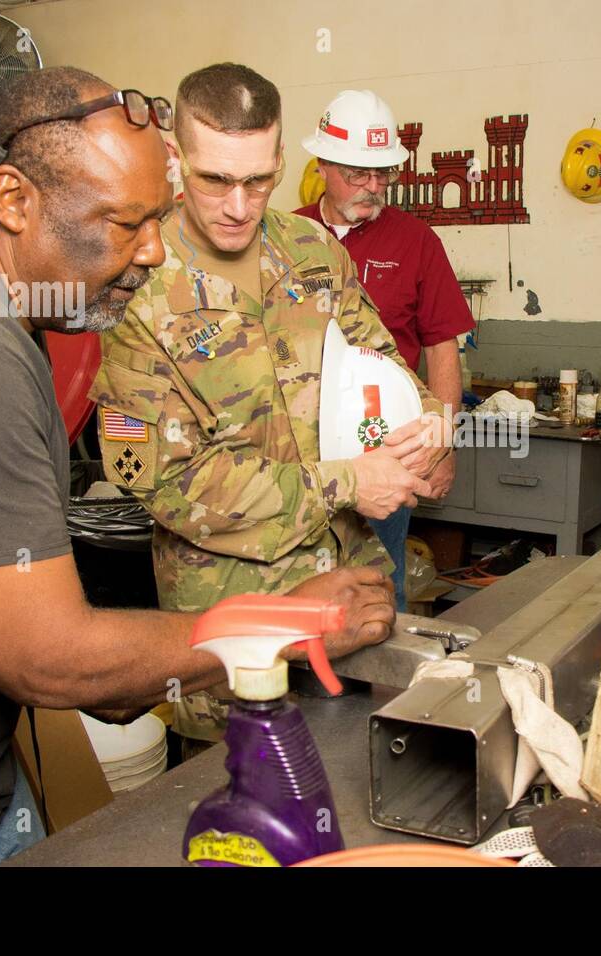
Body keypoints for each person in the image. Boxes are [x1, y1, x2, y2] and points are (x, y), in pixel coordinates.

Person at [0, 66, 394, 867]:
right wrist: (287, 623)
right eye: (126, 224)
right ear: (15, 200)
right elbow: (49, 657)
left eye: (156, 219)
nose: (154, 250)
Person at [90, 63, 452, 748]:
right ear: (175, 158)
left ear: (284, 160)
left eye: (258, 180)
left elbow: (383, 365)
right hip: (239, 641)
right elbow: (159, 482)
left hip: (356, 614)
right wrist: (347, 480)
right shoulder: (131, 287)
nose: (238, 205)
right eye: (215, 180)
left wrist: (429, 427)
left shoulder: (313, 251)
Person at [296, 90, 474, 610]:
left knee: (376, 595)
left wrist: (442, 441)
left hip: (387, 451)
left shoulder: (416, 242)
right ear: (324, 164)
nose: (374, 187)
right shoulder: (285, 236)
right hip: (301, 463)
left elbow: (443, 346)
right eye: (358, 173)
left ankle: (380, 692)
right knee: (301, 597)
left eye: (384, 173)